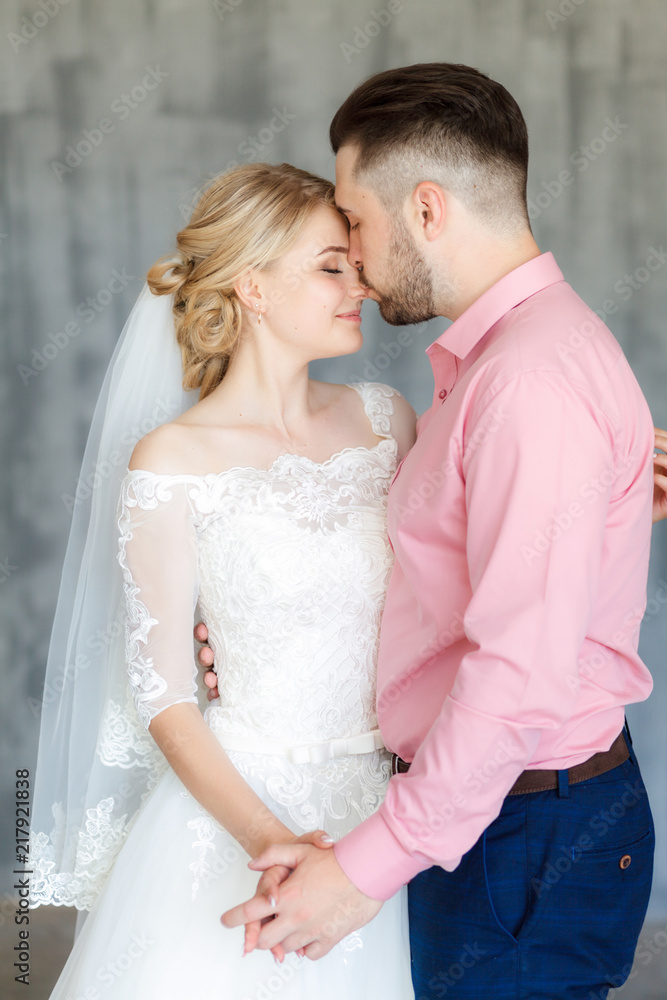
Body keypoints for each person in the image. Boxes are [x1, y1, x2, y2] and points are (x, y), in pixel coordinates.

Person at [218, 63, 667, 999]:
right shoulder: (506, 361)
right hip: (502, 818)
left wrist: (364, 870)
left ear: (425, 210)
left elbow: (515, 668)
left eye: (356, 216)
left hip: (521, 836)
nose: (350, 246)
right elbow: (442, 584)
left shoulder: (525, 383)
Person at [29, 162, 417, 998]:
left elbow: (446, 585)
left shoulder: (386, 419)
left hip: (387, 820)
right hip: (240, 813)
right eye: (328, 265)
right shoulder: (173, 462)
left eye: (353, 260)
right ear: (253, 286)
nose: (360, 283)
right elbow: (166, 696)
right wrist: (275, 844)